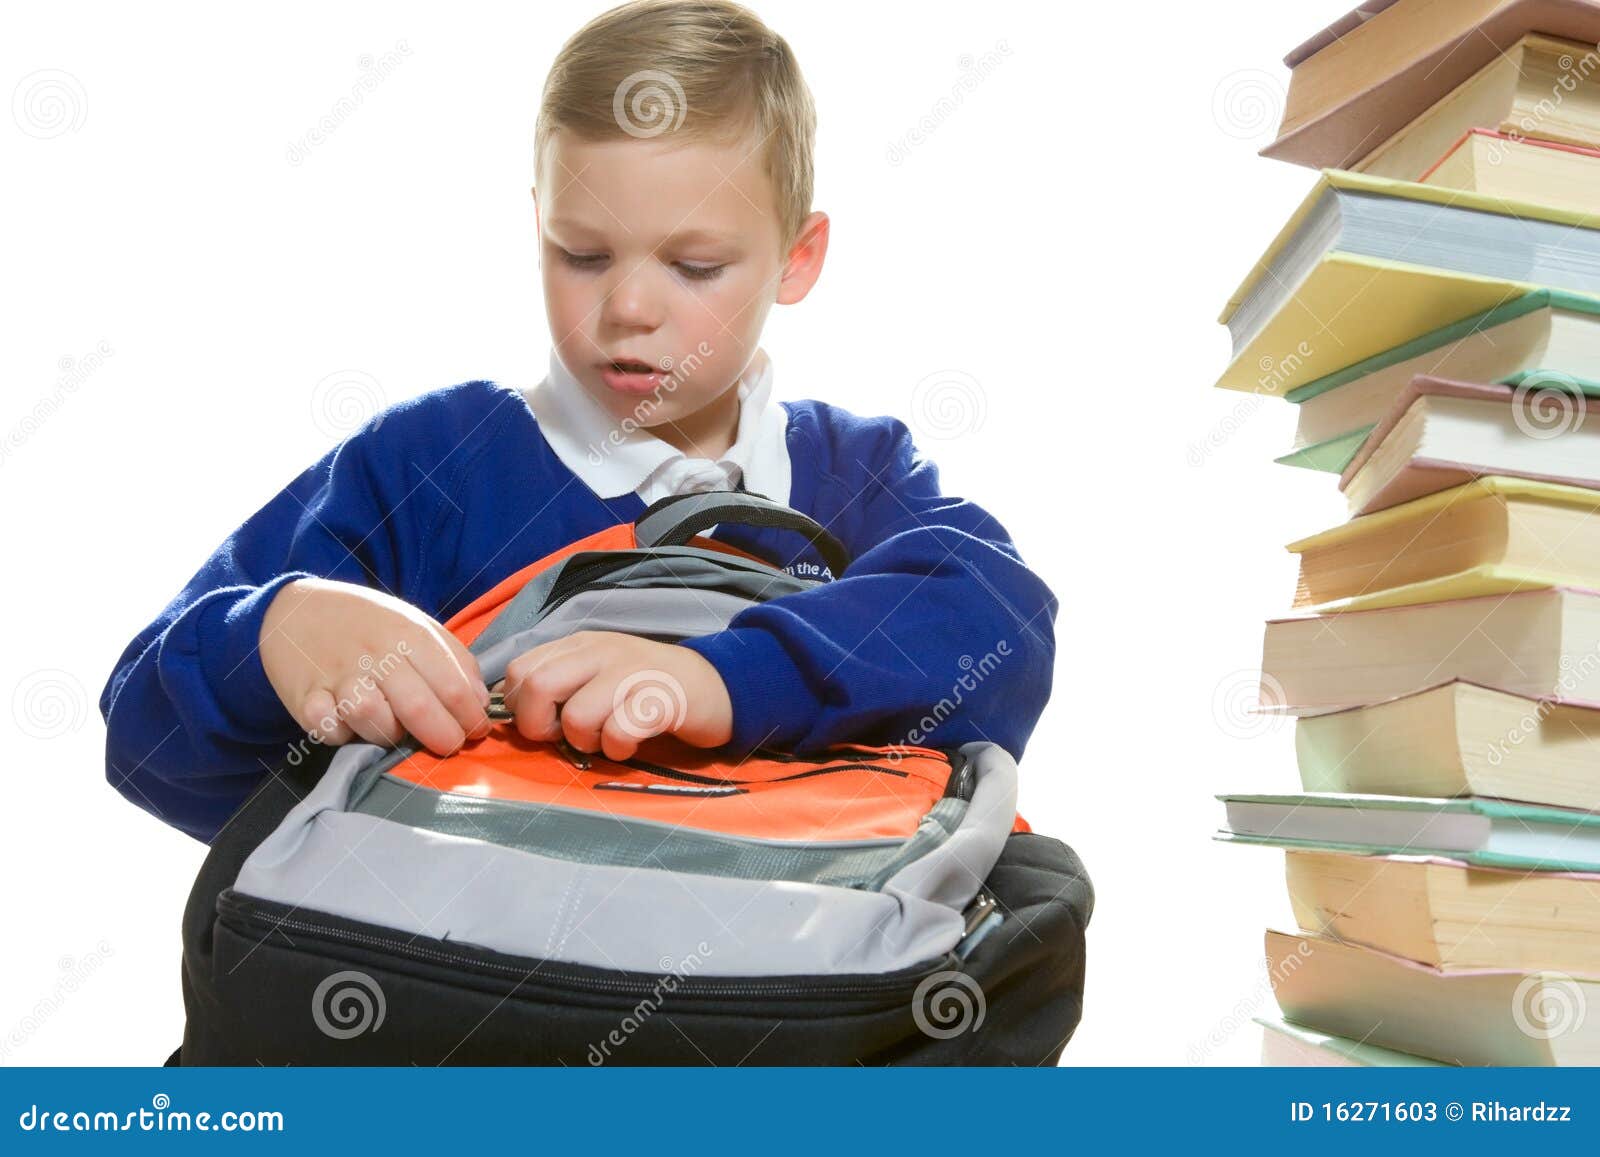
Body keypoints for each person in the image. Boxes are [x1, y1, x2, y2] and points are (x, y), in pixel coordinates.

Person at [99, 0, 1059, 843]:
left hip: (769, 1008)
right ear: (538, 227)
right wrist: (276, 635)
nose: (629, 310)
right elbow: (144, 736)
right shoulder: (431, 464)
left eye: (693, 268)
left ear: (797, 259)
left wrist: (720, 680)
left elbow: (1001, 622)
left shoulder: (859, 473)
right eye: (583, 253)